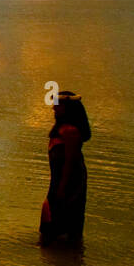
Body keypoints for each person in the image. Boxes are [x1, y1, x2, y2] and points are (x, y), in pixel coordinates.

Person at [40, 90, 91, 246]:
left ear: (67, 108)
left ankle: (66, 258)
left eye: (57, 105)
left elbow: (70, 162)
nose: (53, 109)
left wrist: (62, 188)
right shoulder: (60, 129)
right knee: (50, 220)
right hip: (59, 180)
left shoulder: (71, 132)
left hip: (69, 182)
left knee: (60, 224)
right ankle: (60, 264)